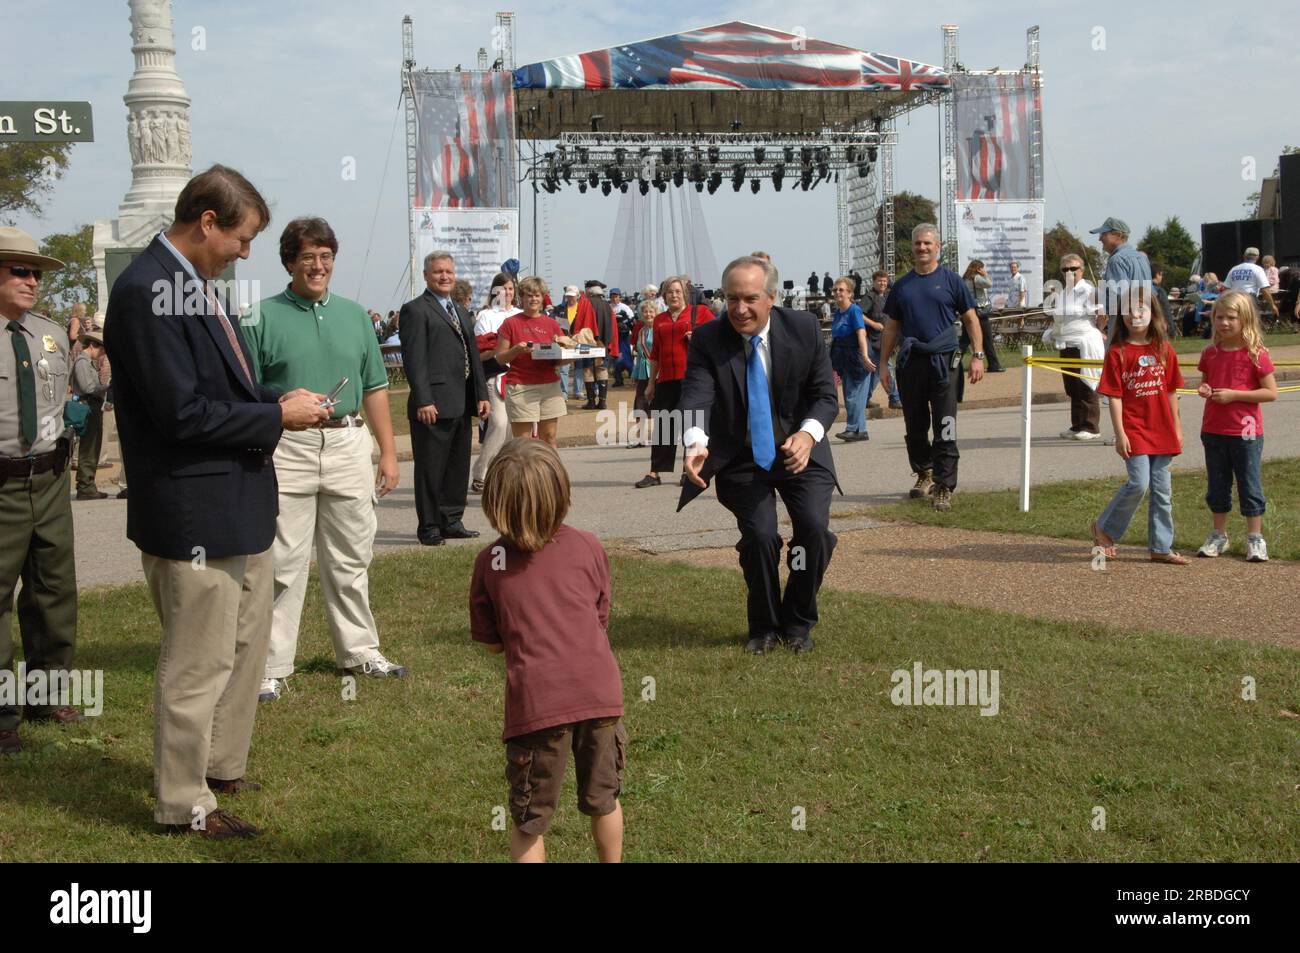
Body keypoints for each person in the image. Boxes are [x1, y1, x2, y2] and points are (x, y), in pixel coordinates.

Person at [104, 166, 330, 835]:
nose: (245, 252)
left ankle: (221, 765)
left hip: (237, 503)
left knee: (244, 645)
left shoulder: (193, 288)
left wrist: (283, 402)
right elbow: (181, 414)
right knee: (197, 661)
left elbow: (224, 391)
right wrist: (275, 419)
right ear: (207, 221)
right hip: (193, 512)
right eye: (242, 236)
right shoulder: (146, 291)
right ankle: (183, 802)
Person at [243, 216, 404, 705]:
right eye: (307, 257)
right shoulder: (260, 315)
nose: (318, 266)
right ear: (290, 261)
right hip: (287, 446)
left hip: (349, 444)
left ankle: (358, 651)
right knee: (282, 562)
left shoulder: (356, 315)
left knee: (352, 556)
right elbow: (246, 391)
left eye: (326, 256)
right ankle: (271, 666)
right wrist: (277, 404)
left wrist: (390, 452)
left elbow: (376, 388)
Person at [469, 439, 624, 862]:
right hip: (600, 694)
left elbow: (489, 641)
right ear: (561, 492)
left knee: (529, 817)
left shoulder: (491, 562)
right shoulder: (589, 545)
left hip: (538, 704)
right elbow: (599, 617)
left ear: (495, 501)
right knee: (604, 798)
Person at [679, 256, 839, 655]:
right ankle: (764, 626)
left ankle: (798, 624)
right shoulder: (708, 338)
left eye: (750, 298)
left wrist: (807, 435)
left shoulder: (803, 328)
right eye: (730, 298)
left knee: (814, 533)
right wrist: (697, 441)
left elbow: (825, 396)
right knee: (762, 536)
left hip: (799, 451)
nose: (739, 309)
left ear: (772, 298)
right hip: (741, 458)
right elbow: (695, 397)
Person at [0, 228, 82, 756]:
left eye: (37, 273)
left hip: (49, 480)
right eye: (20, 271)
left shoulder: (48, 335)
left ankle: (47, 693)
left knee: (53, 589)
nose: (33, 281)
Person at [878, 224, 985, 512]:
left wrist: (977, 355)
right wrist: (883, 366)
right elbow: (891, 328)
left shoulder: (951, 281)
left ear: (937, 246)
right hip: (911, 363)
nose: (922, 248)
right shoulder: (901, 286)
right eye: (917, 244)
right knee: (914, 425)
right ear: (912, 248)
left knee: (945, 424)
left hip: (944, 361)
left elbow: (972, 319)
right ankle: (924, 471)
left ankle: (944, 485)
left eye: (927, 243)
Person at [399, 250, 490, 547]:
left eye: (449, 271)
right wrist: (424, 399)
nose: (444, 276)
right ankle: (429, 527)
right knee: (430, 468)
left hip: (461, 402)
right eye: (438, 271)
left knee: (457, 466)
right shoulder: (416, 310)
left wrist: (481, 393)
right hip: (433, 405)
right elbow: (415, 360)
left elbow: (473, 356)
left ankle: (452, 520)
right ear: (426, 275)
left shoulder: (462, 311)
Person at [1089, 293, 1187, 565]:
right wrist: (1120, 434)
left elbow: (1171, 392)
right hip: (1135, 430)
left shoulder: (1164, 350)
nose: (1135, 315)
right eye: (1129, 311)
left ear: (1153, 314)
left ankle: (1161, 547)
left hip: (1163, 429)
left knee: (1162, 489)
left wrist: (1177, 427)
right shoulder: (1118, 353)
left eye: (1141, 310)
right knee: (1139, 483)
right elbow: (1115, 397)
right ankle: (1104, 529)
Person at [1194, 291, 1278, 562]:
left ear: (1245, 319)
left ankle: (1255, 538)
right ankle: (1219, 535)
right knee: (1217, 485)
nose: (1225, 323)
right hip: (1214, 430)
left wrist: (1234, 395)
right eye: (1220, 317)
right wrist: (1205, 389)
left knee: (1249, 485)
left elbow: (1270, 393)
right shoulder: (1210, 353)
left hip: (1246, 432)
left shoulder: (1256, 354)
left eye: (1231, 317)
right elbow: (1206, 381)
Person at [636, 276, 715, 487]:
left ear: (685, 294)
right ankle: (655, 473)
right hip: (666, 379)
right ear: (664, 295)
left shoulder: (701, 313)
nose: (673, 295)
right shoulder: (660, 319)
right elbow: (655, 354)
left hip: (693, 380)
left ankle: (686, 470)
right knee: (663, 425)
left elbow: (717, 339)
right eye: (669, 291)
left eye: (678, 291)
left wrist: (698, 338)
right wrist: (651, 383)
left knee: (690, 424)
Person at [495, 276, 569, 448]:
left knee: (549, 437)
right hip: (521, 386)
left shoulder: (552, 324)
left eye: (537, 295)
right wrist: (516, 350)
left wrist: (568, 356)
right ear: (522, 297)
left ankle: (550, 475)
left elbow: (559, 360)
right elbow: (500, 357)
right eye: (529, 295)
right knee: (523, 442)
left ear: (543, 297)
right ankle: (524, 476)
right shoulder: (510, 323)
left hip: (549, 385)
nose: (533, 299)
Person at [1042, 253, 1105, 440]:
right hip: (1066, 343)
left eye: (1073, 269)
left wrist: (1096, 330)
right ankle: (1077, 424)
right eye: (1065, 269)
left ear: (1082, 270)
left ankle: (1091, 427)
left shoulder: (1089, 290)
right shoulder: (1063, 293)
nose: (1069, 272)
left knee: (1086, 384)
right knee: (1072, 387)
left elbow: (1103, 315)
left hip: (1084, 343)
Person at [471, 272, 521, 493]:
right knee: (499, 424)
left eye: (510, 289)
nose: (507, 293)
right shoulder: (485, 316)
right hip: (495, 377)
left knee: (513, 429)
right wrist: (504, 350)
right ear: (494, 291)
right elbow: (479, 352)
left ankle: (504, 476)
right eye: (502, 289)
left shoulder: (521, 315)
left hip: (520, 378)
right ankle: (481, 473)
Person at [1089, 216, 1152, 340]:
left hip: (1124, 323)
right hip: (1144, 318)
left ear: (1118, 236)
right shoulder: (1142, 257)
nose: (1100, 238)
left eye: (1104, 234)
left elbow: (1117, 297)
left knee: (1119, 357)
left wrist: (1098, 299)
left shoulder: (1116, 260)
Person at [828, 277, 875, 441]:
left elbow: (861, 333)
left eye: (841, 290)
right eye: (835, 290)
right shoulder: (838, 312)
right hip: (843, 357)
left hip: (856, 357)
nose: (837, 292)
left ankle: (853, 428)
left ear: (850, 293)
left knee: (853, 395)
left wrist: (865, 356)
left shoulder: (854, 310)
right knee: (851, 394)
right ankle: (860, 430)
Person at [71, 328, 111, 499]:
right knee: (89, 447)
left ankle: (88, 484)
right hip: (87, 406)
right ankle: (85, 486)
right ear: (93, 345)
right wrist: (107, 387)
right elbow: (88, 387)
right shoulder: (82, 362)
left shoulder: (88, 363)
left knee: (93, 446)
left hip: (93, 406)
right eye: (101, 349)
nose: (102, 354)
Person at [570, 280, 617, 409]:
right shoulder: (607, 305)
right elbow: (613, 327)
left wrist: (572, 332)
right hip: (604, 343)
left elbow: (579, 322)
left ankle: (591, 402)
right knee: (602, 369)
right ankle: (602, 402)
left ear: (589, 291)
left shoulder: (586, 302)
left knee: (588, 369)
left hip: (588, 343)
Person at [860, 270, 901, 409]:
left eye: (884, 280)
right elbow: (859, 315)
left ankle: (865, 399)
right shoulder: (869, 297)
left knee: (876, 373)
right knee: (887, 368)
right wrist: (874, 324)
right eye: (879, 281)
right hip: (874, 341)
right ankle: (894, 398)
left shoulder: (888, 297)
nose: (882, 283)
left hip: (885, 340)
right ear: (873, 282)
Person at [962, 260, 1005, 373]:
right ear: (978, 268)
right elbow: (989, 283)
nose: (983, 270)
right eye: (982, 268)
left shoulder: (965, 278)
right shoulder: (976, 278)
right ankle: (994, 365)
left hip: (969, 310)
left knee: (965, 340)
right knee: (987, 338)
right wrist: (985, 274)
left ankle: (953, 364)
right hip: (979, 311)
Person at [628, 300, 657, 447]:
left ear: (656, 313)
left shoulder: (659, 329)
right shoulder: (640, 331)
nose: (648, 314)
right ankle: (640, 438)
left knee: (659, 404)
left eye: (651, 311)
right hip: (642, 372)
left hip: (657, 373)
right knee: (640, 403)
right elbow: (639, 355)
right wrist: (634, 373)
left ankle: (661, 437)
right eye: (645, 311)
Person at [1224, 247, 1278, 317]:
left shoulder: (1234, 269)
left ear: (1244, 256)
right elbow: (1264, 289)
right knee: (1251, 323)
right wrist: (1272, 305)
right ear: (1257, 257)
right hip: (1249, 300)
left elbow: (1226, 289)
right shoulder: (1258, 269)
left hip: (1235, 300)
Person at [549, 285, 580, 398]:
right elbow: (551, 320)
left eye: (572, 296)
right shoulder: (559, 309)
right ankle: (564, 393)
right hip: (564, 341)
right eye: (568, 296)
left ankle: (577, 392)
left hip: (577, 340)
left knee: (579, 367)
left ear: (577, 296)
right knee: (564, 368)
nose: (570, 299)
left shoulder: (581, 309)